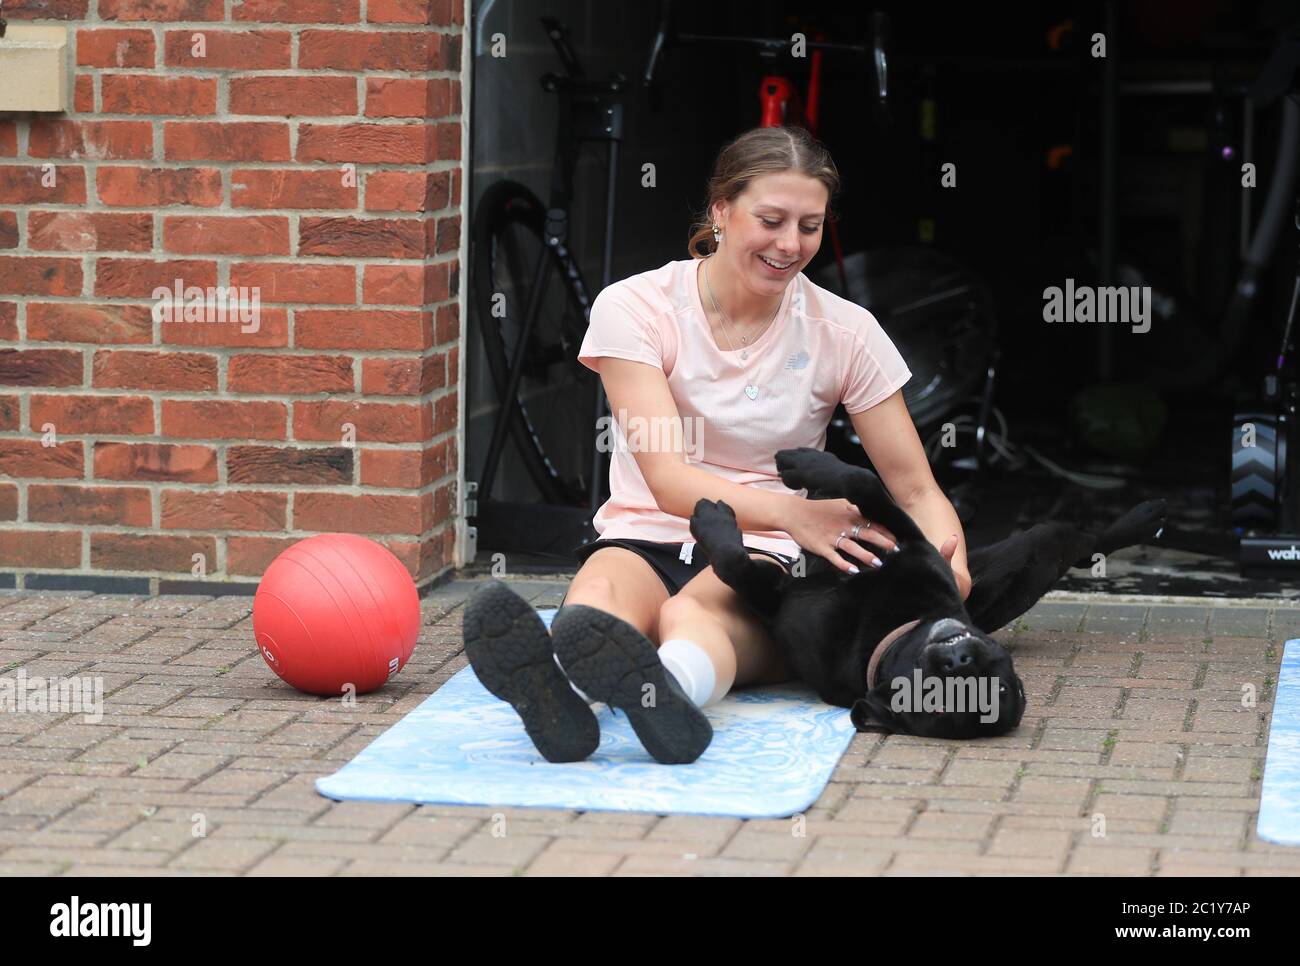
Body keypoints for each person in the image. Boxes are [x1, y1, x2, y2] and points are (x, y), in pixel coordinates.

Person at [463, 126, 971, 765]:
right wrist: (799, 512)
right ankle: (556, 689)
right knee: (603, 596)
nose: (790, 244)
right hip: (646, 528)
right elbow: (669, 480)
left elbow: (915, 488)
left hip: (758, 550)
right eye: (771, 220)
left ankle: (665, 695)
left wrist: (952, 572)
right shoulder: (636, 306)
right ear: (720, 211)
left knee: (699, 614)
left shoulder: (846, 331)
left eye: (809, 226)